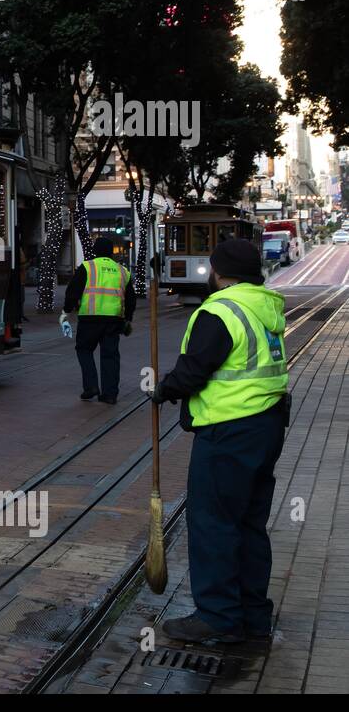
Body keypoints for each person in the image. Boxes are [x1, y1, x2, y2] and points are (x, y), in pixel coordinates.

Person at [151, 238, 289, 644]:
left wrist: (164, 389)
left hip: (229, 431)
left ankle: (218, 617)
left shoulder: (220, 310)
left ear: (219, 271)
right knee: (249, 524)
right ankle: (253, 616)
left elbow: (195, 371)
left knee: (214, 523)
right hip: (267, 427)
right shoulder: (266, 307)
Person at [62, 237, 136, 403]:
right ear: (111, 252)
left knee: (84, 350)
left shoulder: (87, 267)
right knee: (110, 356)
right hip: (114, 320)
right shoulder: (123, 271)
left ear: (94, 251)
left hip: (90, 318)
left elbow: (73, 291)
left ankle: (91, 386)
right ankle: (110, 395)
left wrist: (66, 310)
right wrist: (128, 319)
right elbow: (131, 299)